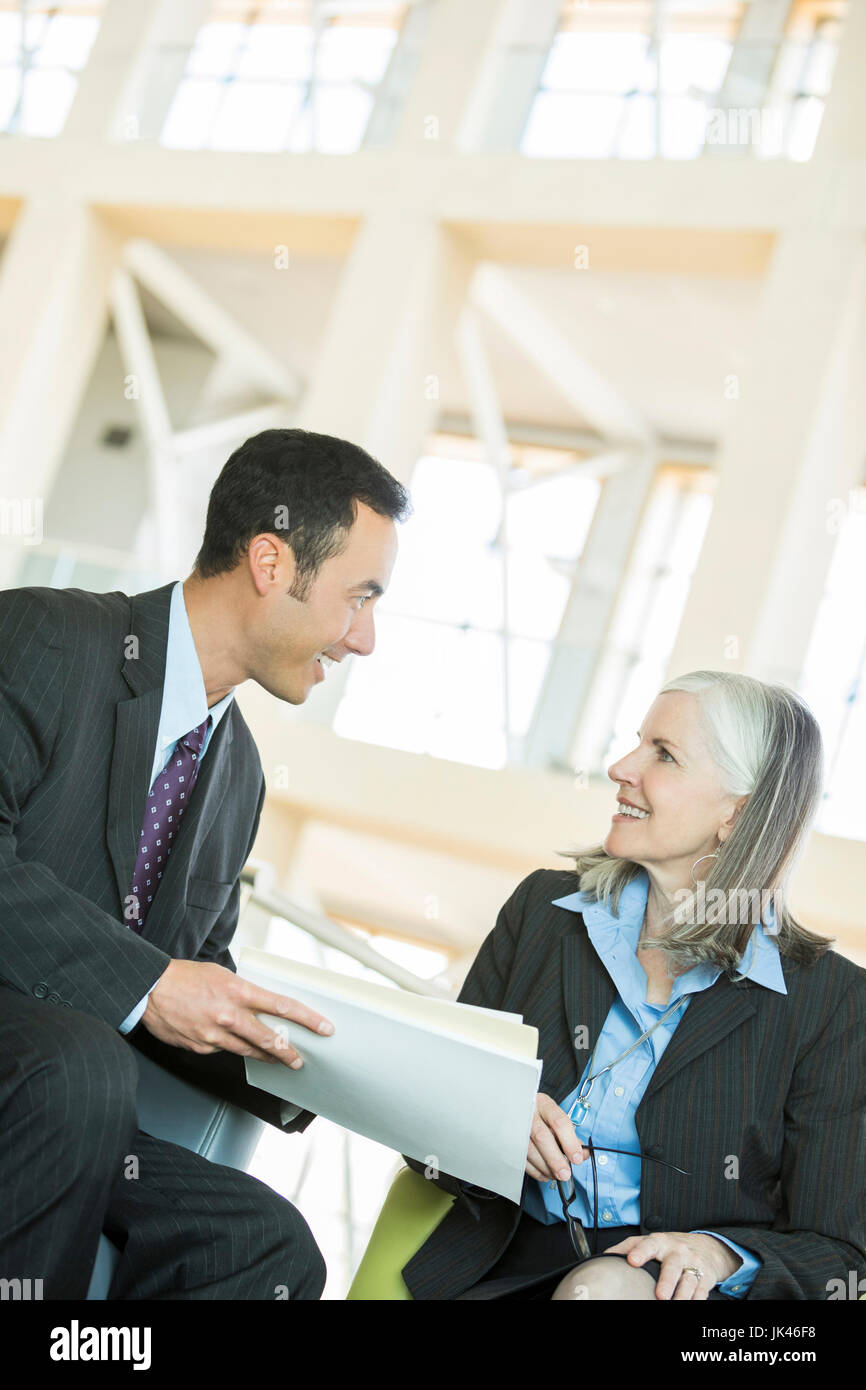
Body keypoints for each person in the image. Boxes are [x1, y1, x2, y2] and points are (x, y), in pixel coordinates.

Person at [0, 427, 410, 1299]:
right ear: (271, 561)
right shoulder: (45, 635)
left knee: (270, 1249)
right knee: (82, 1066)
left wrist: (354, 1076)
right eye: (359, 597)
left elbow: (197, 978)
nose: (365, 639)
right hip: (47, 1072)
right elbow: (159, 983)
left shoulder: (238, 775)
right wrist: (149, 984)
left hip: (73, 1100)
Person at [401, 671, 866, 1300]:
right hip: (490, 1264)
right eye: (635, 742)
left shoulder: (832, 1005)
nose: (621, 767)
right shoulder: (543, 911)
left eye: (664, 755)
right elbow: (423, 1119)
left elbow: (839, 1254)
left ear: (738, 812)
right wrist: (488, 1117)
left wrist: (721, 1258)